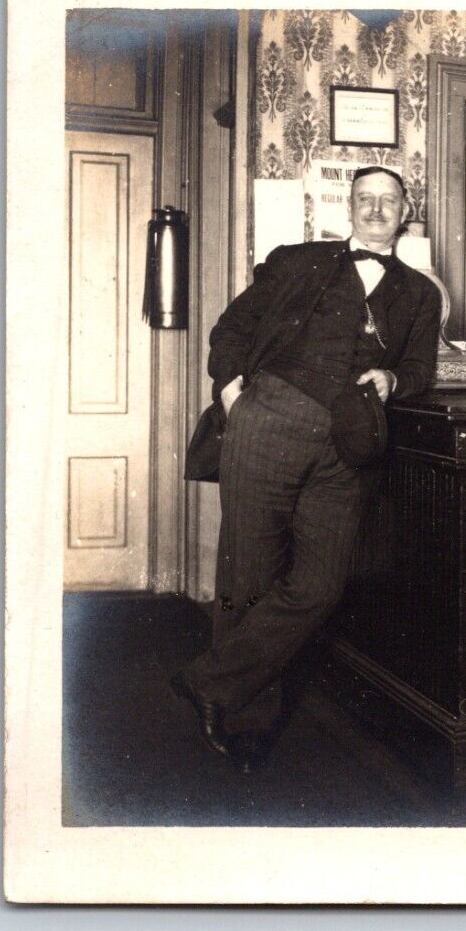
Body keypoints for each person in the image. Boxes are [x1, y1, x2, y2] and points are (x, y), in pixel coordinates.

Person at [172, 166, 442, 773]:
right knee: (249, 570)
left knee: (321, 584)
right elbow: (233, 327)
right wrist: (233, 391)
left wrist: (396, 378)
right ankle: (236, 722)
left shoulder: (421, 293)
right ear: (349, 207)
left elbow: (423, 367)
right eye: (365, 199)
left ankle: (208, 684)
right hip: (270, 418)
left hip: (350, 441)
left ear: (405, 211)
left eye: (389, 200)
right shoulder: (296, 260)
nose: (376, 210)